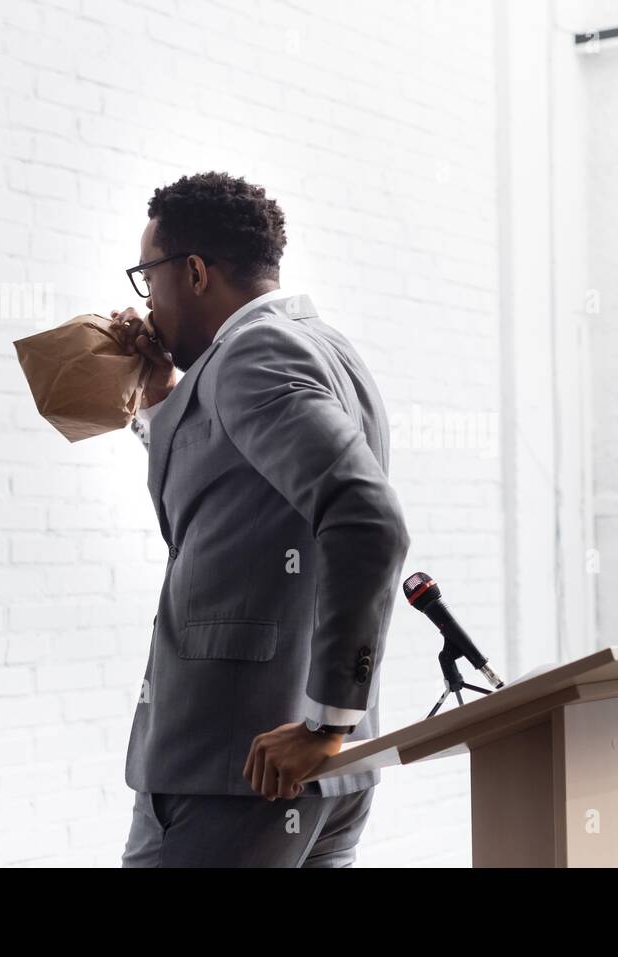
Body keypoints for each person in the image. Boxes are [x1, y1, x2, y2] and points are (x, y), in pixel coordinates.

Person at [109, 172, 410, 866]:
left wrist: (324, 718)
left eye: (147, 278)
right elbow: (243, 492)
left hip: (239, 769)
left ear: (192, 271)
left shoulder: (252, 355)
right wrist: (158, 401)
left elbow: (368, 519)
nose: (146, 301)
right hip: (312, 772)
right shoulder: (327, 347)